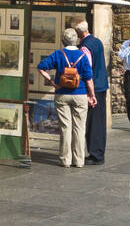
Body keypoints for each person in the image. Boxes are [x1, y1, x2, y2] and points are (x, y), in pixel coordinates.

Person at [36, 27, 97, 167]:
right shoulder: (82, 56)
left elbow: (41, 67)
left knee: (65, 127)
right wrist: (91, 95)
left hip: (62, 94)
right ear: (76, 40)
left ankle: (65, 160)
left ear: (63, 40)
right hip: (80, 94)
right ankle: (79, 160)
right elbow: (89, 79)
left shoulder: (58, 54)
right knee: (80, 128)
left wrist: (52, 81)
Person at [75, 20, 108, 164]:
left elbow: (87, 71)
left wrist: (90, 93)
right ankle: (97, 152)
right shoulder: (97, 41)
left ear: (79, 33)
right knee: (99, 122)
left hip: (94, 87)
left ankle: (96, 154)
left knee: (93, 123)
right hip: (101, 84)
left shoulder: (85, 47)